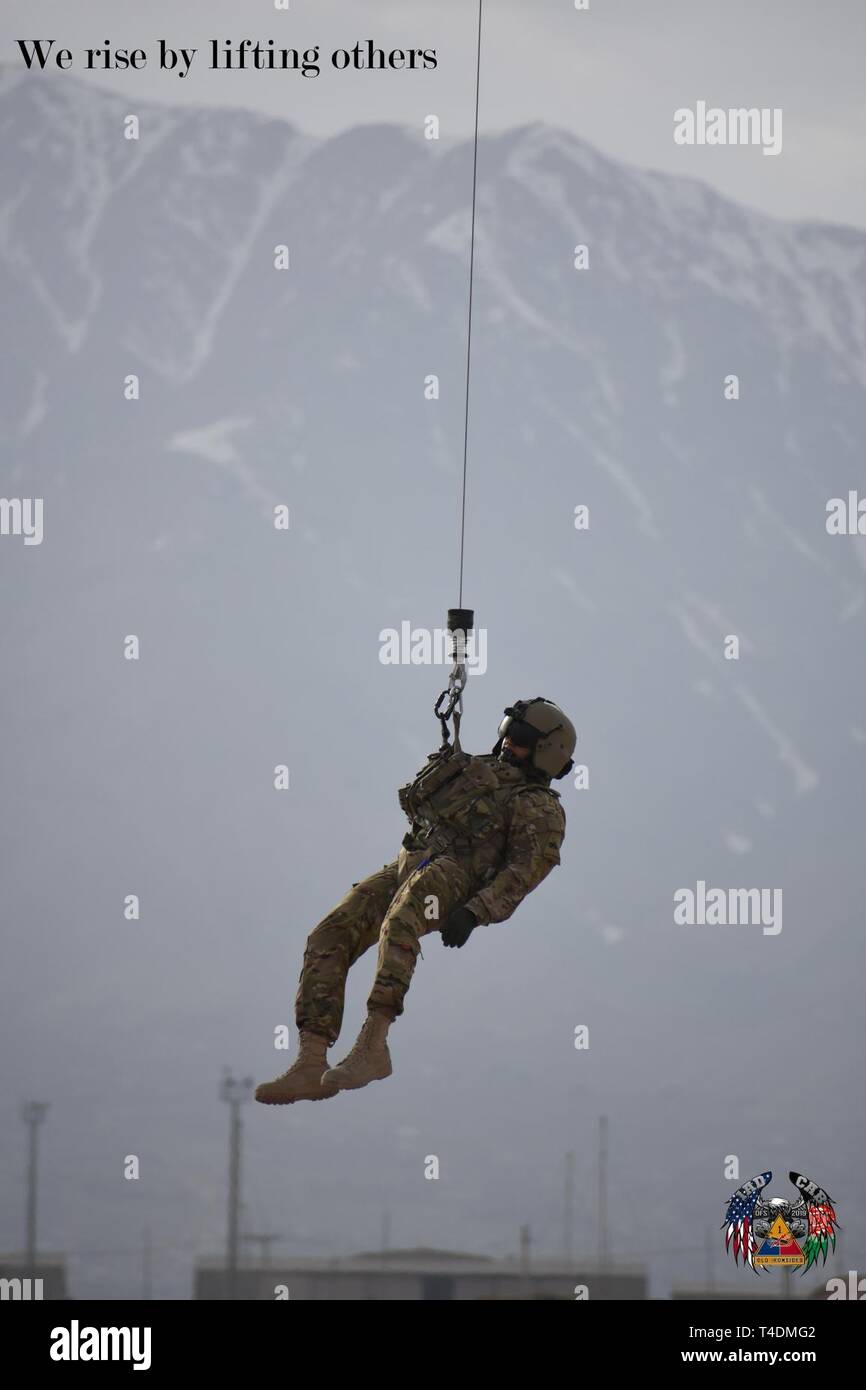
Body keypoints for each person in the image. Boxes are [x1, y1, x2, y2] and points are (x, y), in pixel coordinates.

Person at [255, 697, 575, 1104]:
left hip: (455, 875)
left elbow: (522, 874)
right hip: (413, 859)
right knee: (330, 933)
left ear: (547, 751)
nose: (509, 743)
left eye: (522, 738)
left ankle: (374, 1043)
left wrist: (475, 913)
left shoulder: (539, 808)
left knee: (401, 922)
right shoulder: (477, 769)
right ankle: (311, 1058)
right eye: (507, 732)